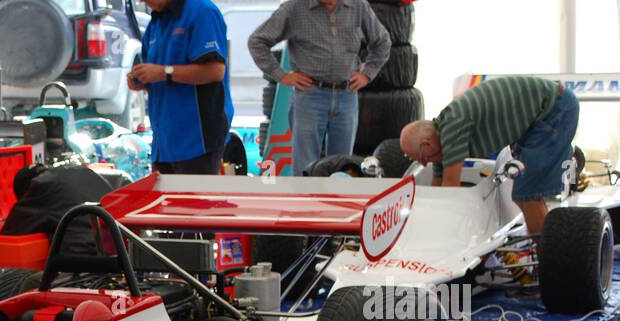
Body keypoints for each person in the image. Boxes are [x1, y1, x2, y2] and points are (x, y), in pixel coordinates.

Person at [400, 77, 579, 234]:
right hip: (542, 115)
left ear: (426, 144)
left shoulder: (452, 126)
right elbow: (438, 190)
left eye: (420, 157)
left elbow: (450, 188)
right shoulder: (441, 140)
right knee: (525, 194)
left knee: (527, 194)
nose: (423, 164)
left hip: (554, 109)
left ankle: (547, 265)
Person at [248, 0, 391, 177]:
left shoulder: (358, 6)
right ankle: (305, 203)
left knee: (343, 165)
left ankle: (338, 203)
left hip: (347, 95)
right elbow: (256, 41)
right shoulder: (294, 8)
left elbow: (383, 42)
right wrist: (281, 76)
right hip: (309, 96)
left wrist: (367, 73)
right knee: (305, 166)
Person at [127, 0, 234, 175]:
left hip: (197, 141)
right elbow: (160, 76)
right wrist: (143, 80)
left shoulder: (202, 12)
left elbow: (215, 71)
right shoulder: (156, 22)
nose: (141, 1)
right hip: (164, 144)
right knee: (166, 203)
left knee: (195, 202)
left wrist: (163, 72)